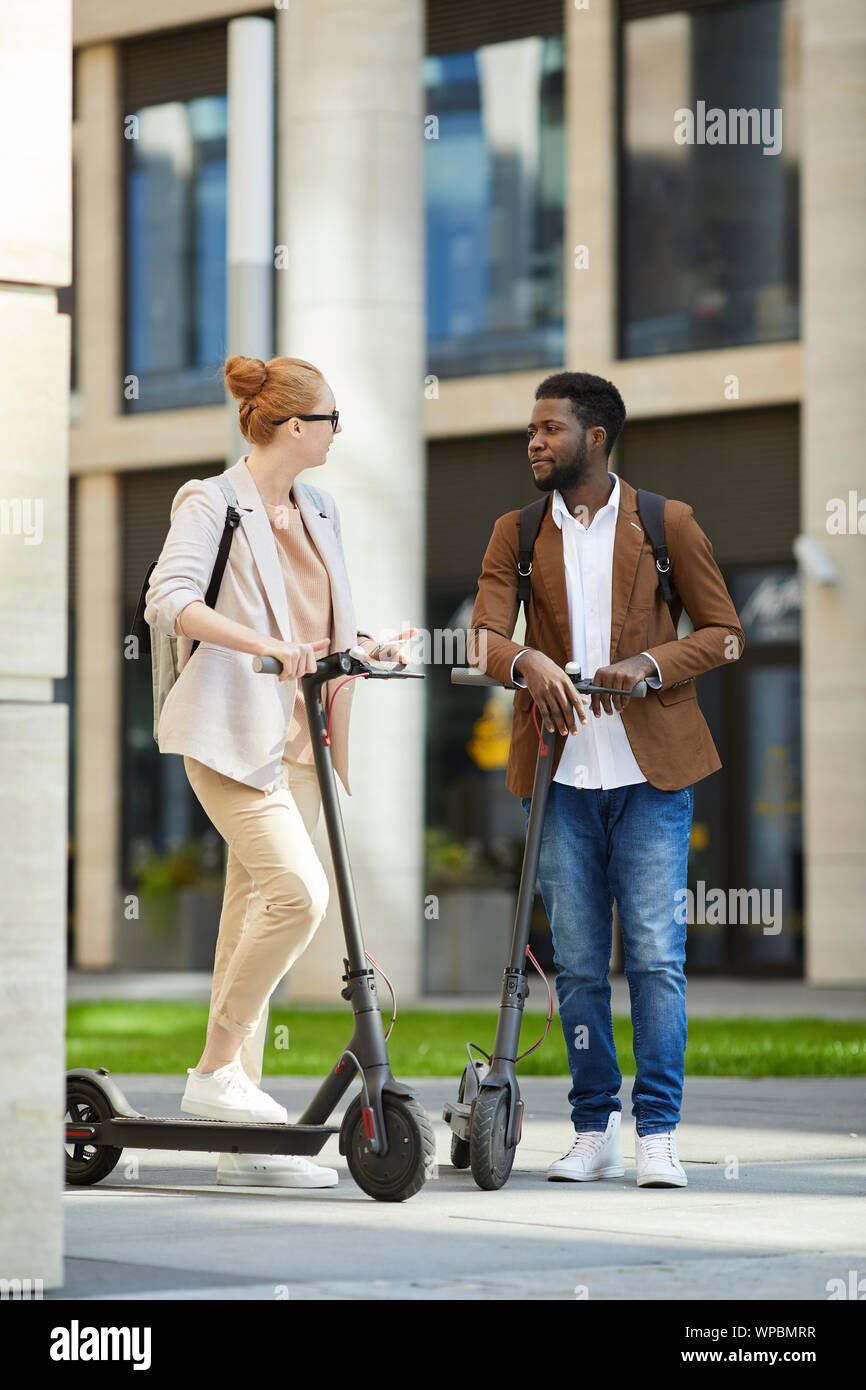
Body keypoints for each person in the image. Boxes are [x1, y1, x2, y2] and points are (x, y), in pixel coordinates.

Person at [143, 354, 415, 1188]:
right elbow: (168, 600)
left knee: (248, 922)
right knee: (300, 896)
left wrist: (362, 651)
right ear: (296, 427)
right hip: (229, 737)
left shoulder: (322, 507)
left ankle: (241, 1138)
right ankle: (215, 1073)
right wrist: (266, 648)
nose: (338, 433)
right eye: (332, 419)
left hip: (305, 742)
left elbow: (317, 624)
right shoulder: (211, 500)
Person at [468, 371, 745, 1188]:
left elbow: (725, 635)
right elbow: (482, 637)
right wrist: (526, 660)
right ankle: (596, 1127)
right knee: (582, 965)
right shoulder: (514, 533)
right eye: (531, 430)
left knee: (657, 958)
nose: (534, 442)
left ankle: (659, 1129)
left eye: (549, 429)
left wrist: (651, 665)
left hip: (654, 780)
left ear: (595, 437)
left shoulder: (668, 523)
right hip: (559, 783)